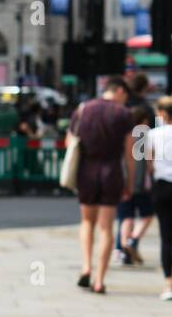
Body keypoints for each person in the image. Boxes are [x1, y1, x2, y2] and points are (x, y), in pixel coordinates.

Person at [67, 76, 135, 294]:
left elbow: (69, 141)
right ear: (120, 91)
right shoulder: (124, 114)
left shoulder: (83, 109)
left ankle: (86, 267)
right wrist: (130, 182)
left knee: (87, 221)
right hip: (111, 171)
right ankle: (99, 280)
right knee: (106, 227)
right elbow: (130, 154)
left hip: (86, 171)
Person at [115, 105, 154, 265]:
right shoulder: (143, 135)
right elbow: (149, 162)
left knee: (126, 217)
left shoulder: (121, 135)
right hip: (140, 183)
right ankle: (133, 240)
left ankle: (124, 250)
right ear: (142, 120)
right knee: (147, 215)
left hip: (122, 181)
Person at [145, 97, 172, 300]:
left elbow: (149, 164)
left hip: (162, 186)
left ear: (163, 113)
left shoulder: (153, 134)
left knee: (166, 236)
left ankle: (168, 282)